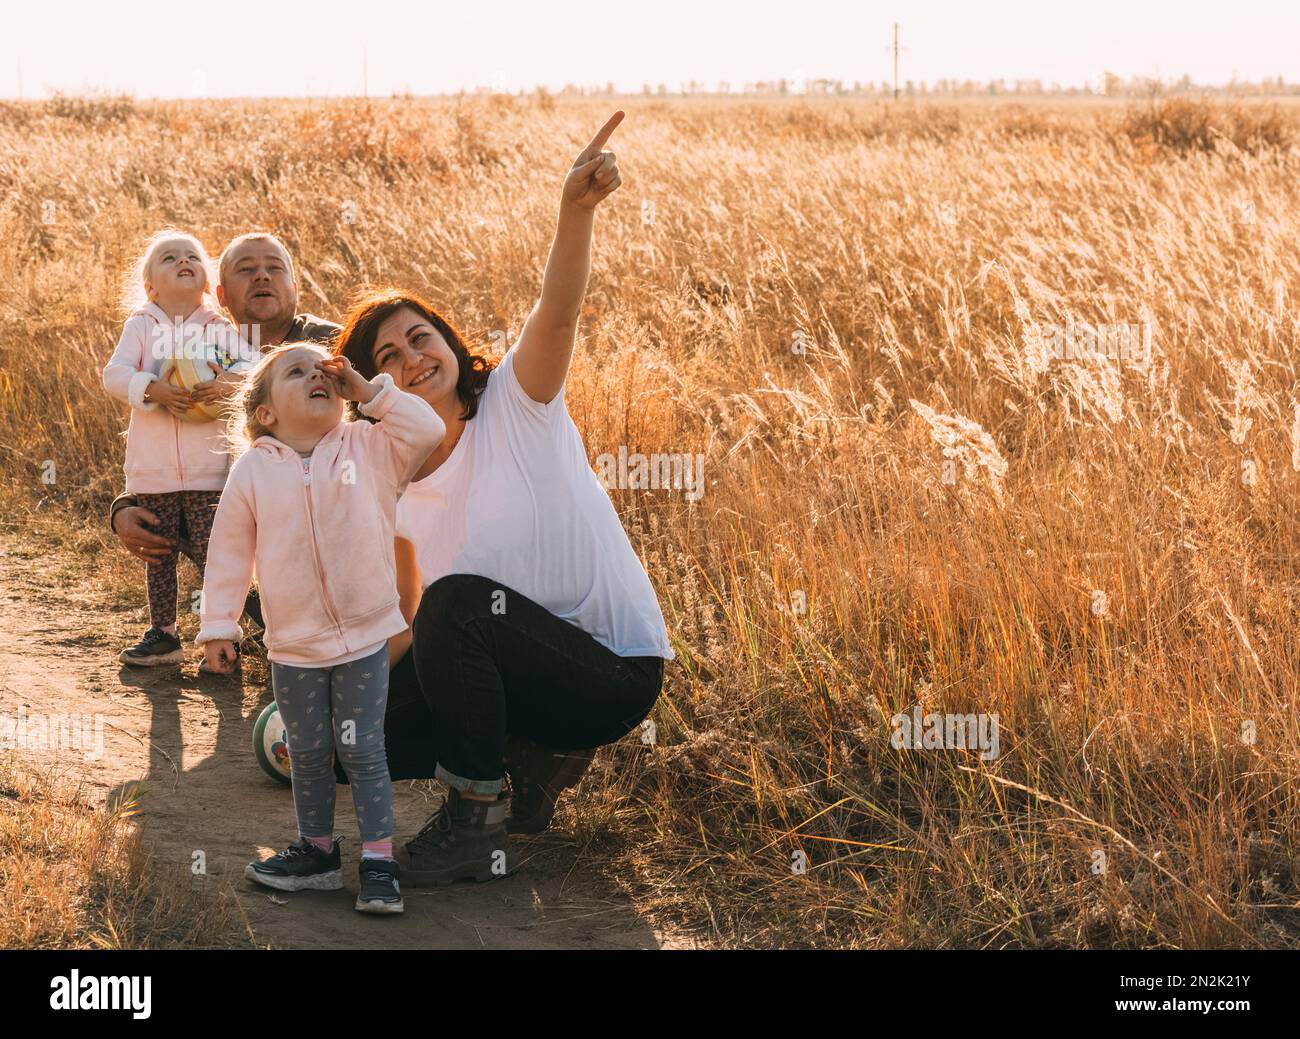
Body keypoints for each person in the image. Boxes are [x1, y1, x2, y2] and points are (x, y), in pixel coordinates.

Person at [335, 111, 674, 887]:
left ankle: (474, 821)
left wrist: (574, 212)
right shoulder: (393, 486)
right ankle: (529, 757)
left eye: (421, 337)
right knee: (353, 738)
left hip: (607, 671)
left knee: (455, 604)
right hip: (516, 678)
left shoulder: (518, 404)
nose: (411, 359)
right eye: (386, 357)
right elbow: (406, 637)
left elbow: (558, 312)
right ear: (372, 391)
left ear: (451, 343)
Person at [197, 343, 444, 913]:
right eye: (297, 371)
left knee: (364, 752)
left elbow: (427, 429)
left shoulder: (369, 447)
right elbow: (229, 550)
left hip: (363, 635)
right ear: (265, 413)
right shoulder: (253, 470)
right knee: (307, 753)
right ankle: (317, 854)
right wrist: (219, 625)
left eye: (324, 369)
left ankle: (379, 861)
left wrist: (372, 393)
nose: (317, 375)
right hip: (293, 643)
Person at [108, 232, 339, 643]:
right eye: (246, 270)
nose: (262, 277)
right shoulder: (202, 345)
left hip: (326, 524)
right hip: (227, 503)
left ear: (295, 285)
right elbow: (124, 383)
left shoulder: (325, 345)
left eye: (275, 268)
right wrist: (126, 504)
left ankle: (302, 635)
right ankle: (180, 631)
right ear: (221, 293)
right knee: (205, 529)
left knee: (221, 537)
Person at [101, 229, 254, 666]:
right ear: (150, 284)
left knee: (214, 553)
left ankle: (220, 637)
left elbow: (252, 367)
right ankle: (165, 634)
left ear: (207, 281)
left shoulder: (218, 328)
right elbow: (114, 375)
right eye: (169, 258)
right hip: (153, 467)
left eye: (191, 256)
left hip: (211, 468)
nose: (182, 260)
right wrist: (153, 390)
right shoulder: (141, 325)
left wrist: (227, 382)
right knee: (159, 551)